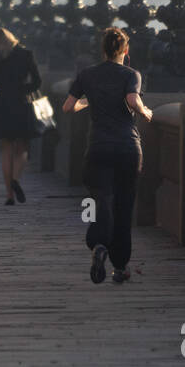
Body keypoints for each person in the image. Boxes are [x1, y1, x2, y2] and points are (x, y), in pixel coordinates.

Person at [61, 27, 153, 285]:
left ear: (103, 49)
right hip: (127, 147)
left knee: (101, 199)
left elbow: (68, 106)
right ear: (125, 50)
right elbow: (133, 100)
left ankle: (99, 244)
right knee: (124, 206)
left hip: (98, 147)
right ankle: (120, 266)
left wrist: (87, 102)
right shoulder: (131, 74)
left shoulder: (87, 74)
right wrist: (145, 112)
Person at [0, 27, 44, 206]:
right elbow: (37, 81)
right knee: (23, 147)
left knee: (7, 149)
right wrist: (22, 89)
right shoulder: (25, 54)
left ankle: (9, 195)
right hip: (20, 103)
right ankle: (16, 179)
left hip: (1, 105)